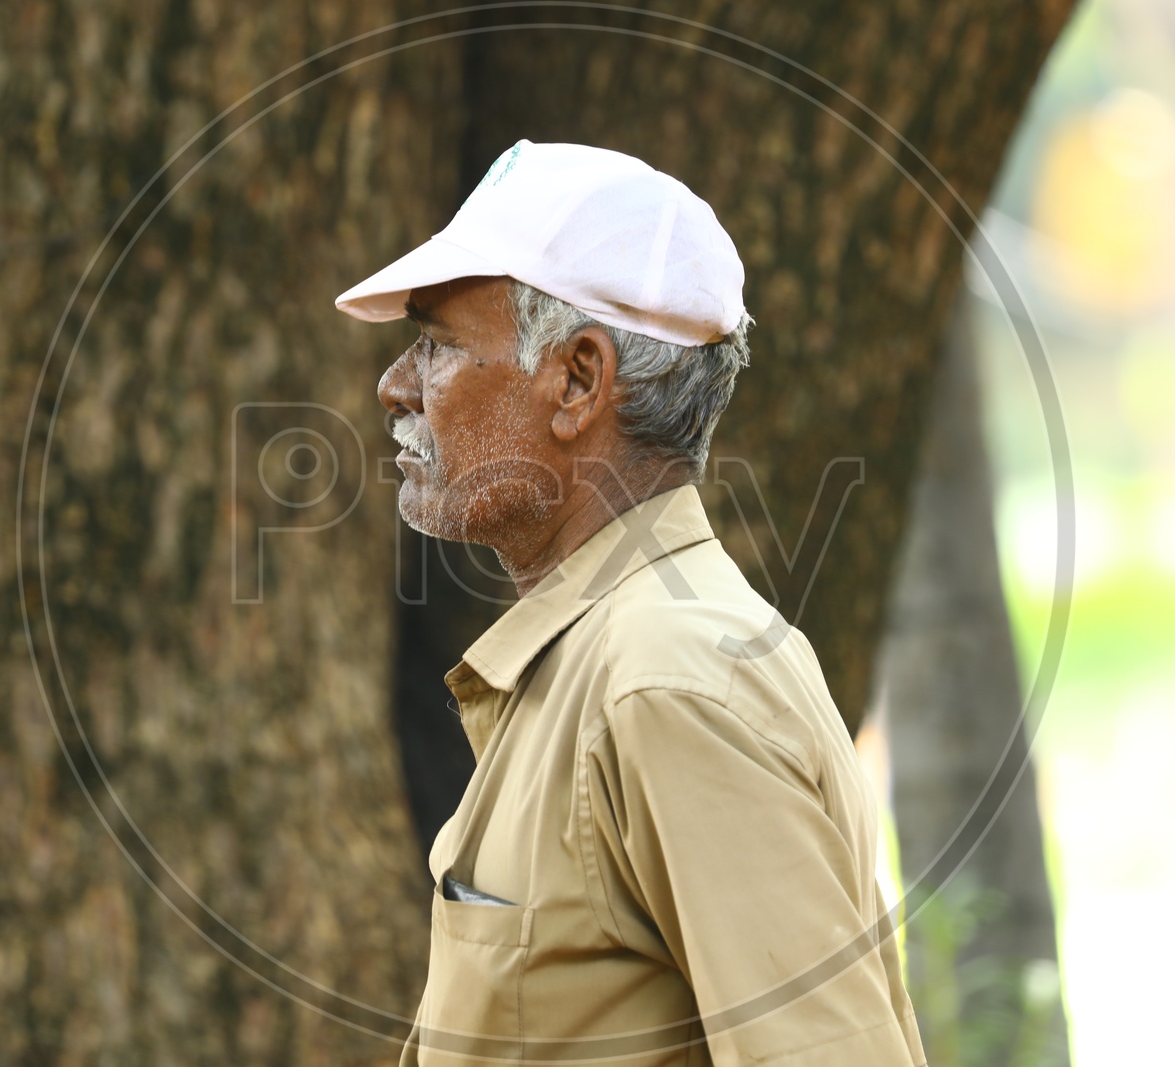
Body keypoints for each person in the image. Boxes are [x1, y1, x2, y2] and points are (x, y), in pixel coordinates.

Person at [336, 140, 925, 1066]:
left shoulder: (666, 682)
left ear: (577, 380)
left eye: (439, 344)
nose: (395, 385)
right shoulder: (610, 657)